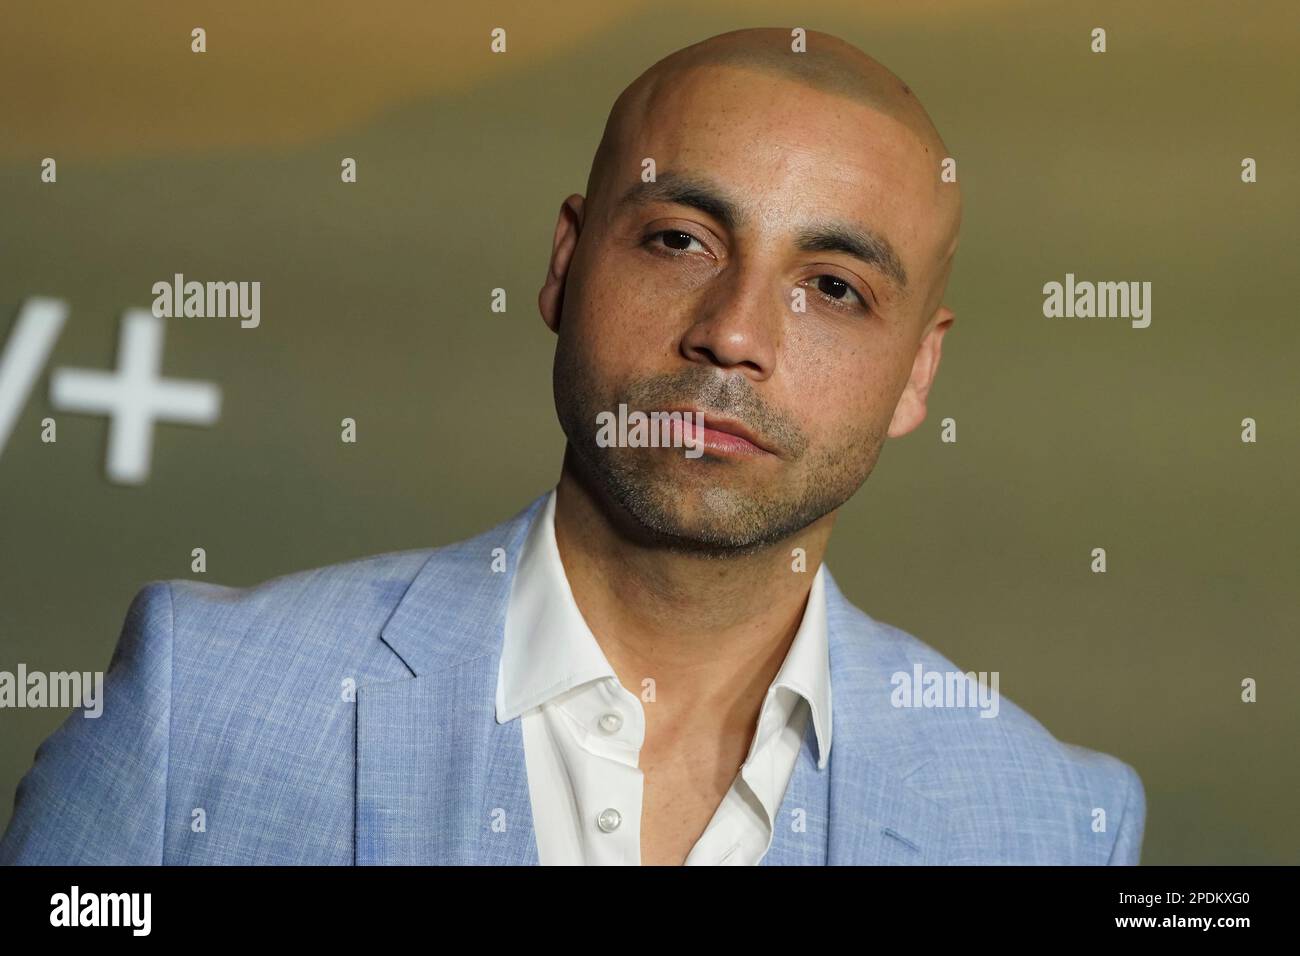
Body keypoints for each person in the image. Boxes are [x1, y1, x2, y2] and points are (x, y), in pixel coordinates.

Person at [0, 27, 1145, 866]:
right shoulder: (200, 709)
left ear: (918, 372)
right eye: (680, 239)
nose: (733, 333)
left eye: (833, 287)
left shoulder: (1053, 823)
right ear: (566, 260)